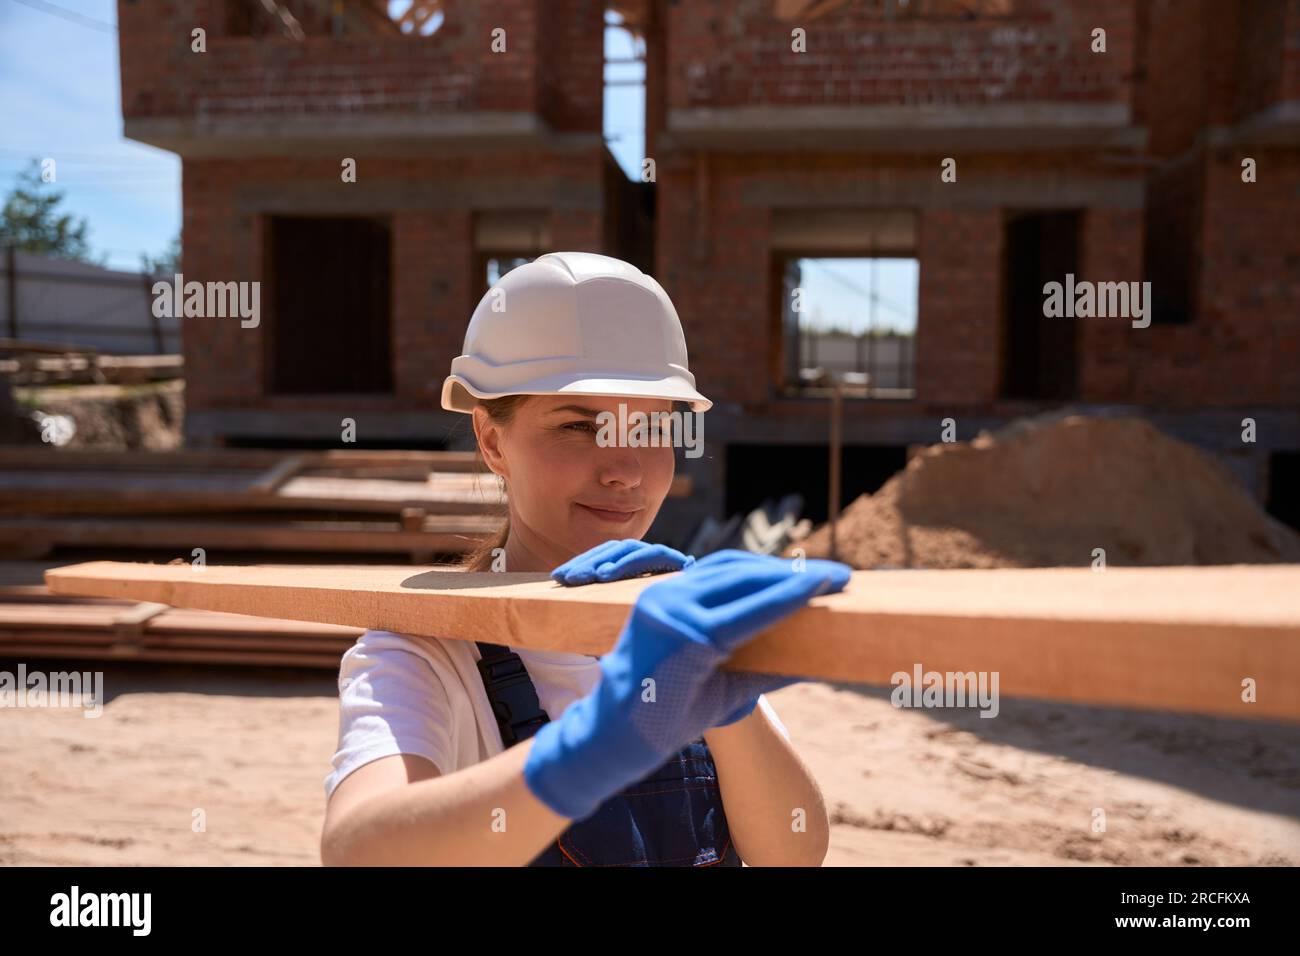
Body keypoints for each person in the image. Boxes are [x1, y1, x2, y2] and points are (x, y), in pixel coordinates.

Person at [319, 252, 851, 866]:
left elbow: (793, 853)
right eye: (579, 427)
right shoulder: (425, 652)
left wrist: (733, 708)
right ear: (493, 441)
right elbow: (356, 850)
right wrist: (591, 750)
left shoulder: (680, 631)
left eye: (651, 429)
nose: (625, 470)